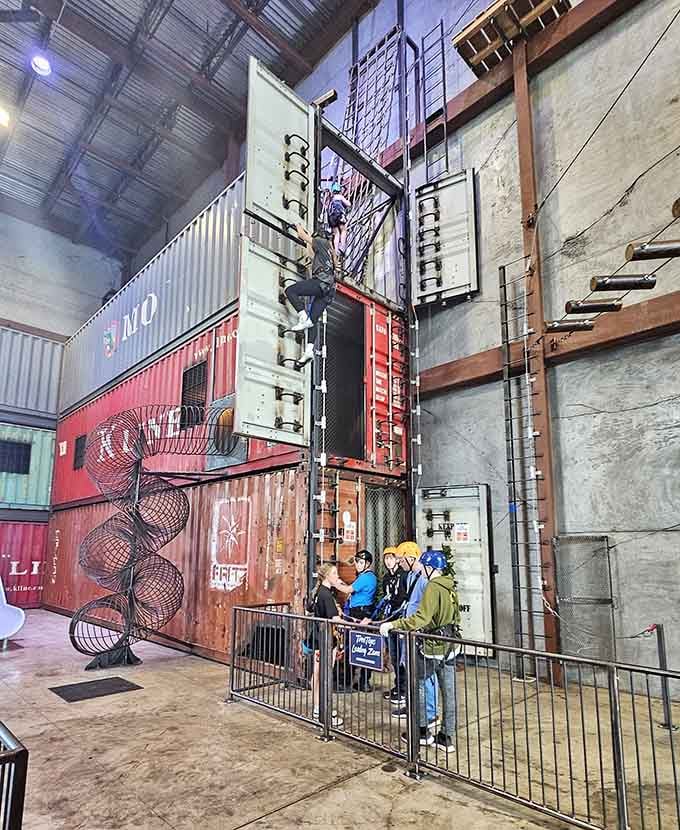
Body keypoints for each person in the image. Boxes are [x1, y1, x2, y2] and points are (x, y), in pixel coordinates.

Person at [380, 549, 461, 753]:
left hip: (431, 646)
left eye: (423, 566)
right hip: (449, 646)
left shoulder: (433, 587)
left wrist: (394, 625)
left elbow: (421, 618)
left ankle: (422, 732)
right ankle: (446, 736)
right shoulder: (450, 587)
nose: (420, 569)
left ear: (430, 567)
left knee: (420, 686)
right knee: (448, 692)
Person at [389, 541, 438, 738]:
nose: (398, 563)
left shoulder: (425, 580)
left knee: (424, 674)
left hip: (417, 633)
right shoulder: (410, 576)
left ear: (411, 558)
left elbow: (426, 609)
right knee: (410, 672)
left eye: (401, 559)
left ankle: (430, 713)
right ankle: (414, 708)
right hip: (407, 631)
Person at [285, 223, 338, 366]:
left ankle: (301, 316)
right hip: (329, 292)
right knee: (312, 321)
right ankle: (309, 351)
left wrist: (298, 226)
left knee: (290, 291)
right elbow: (311, 253)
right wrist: (308, 239)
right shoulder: (330, 250)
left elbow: (302, 236)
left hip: (320, 283)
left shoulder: (321, 242)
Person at [363, 546, 408, 700]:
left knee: (403, 655)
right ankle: (398, 686)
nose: (389, 561)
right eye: (386, 558)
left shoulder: (404, 576)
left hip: (401, 619)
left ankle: (405, 689)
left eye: (391, 558)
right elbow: (386, 598)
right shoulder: (386, 578)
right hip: (390, 619)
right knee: (394, 655)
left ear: (397, 559)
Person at [303, 563, 345, 727]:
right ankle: (323, 712)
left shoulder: (319, 592)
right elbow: (334, 619)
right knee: (323, 675)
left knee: (319, 674)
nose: (337, 576)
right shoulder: (326, 594)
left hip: (320, 638)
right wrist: (347, 623)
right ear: (327, 576)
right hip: (325, 640)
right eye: (334, 573)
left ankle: (318, 708)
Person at [334, 550, 377, 691]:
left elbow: (347, 590)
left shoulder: (366, 577)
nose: (357, 565)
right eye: (357, 562)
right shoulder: (364, 576)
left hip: (359, 614)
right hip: (359, 613)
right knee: (361, 647)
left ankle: (350, 682)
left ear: (367, 564)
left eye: (360, 562)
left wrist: (333, 582)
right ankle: (362, 682)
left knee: (355, 646)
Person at [327, 182, 351, 259]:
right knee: (343, 230)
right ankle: (342, 247)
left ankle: (336, 250)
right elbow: (348, 204)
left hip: (331, 217)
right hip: (339, 214)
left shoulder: (331, 200)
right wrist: (347, 202)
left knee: (336, 234)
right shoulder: (339, 197)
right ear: (339, 190)